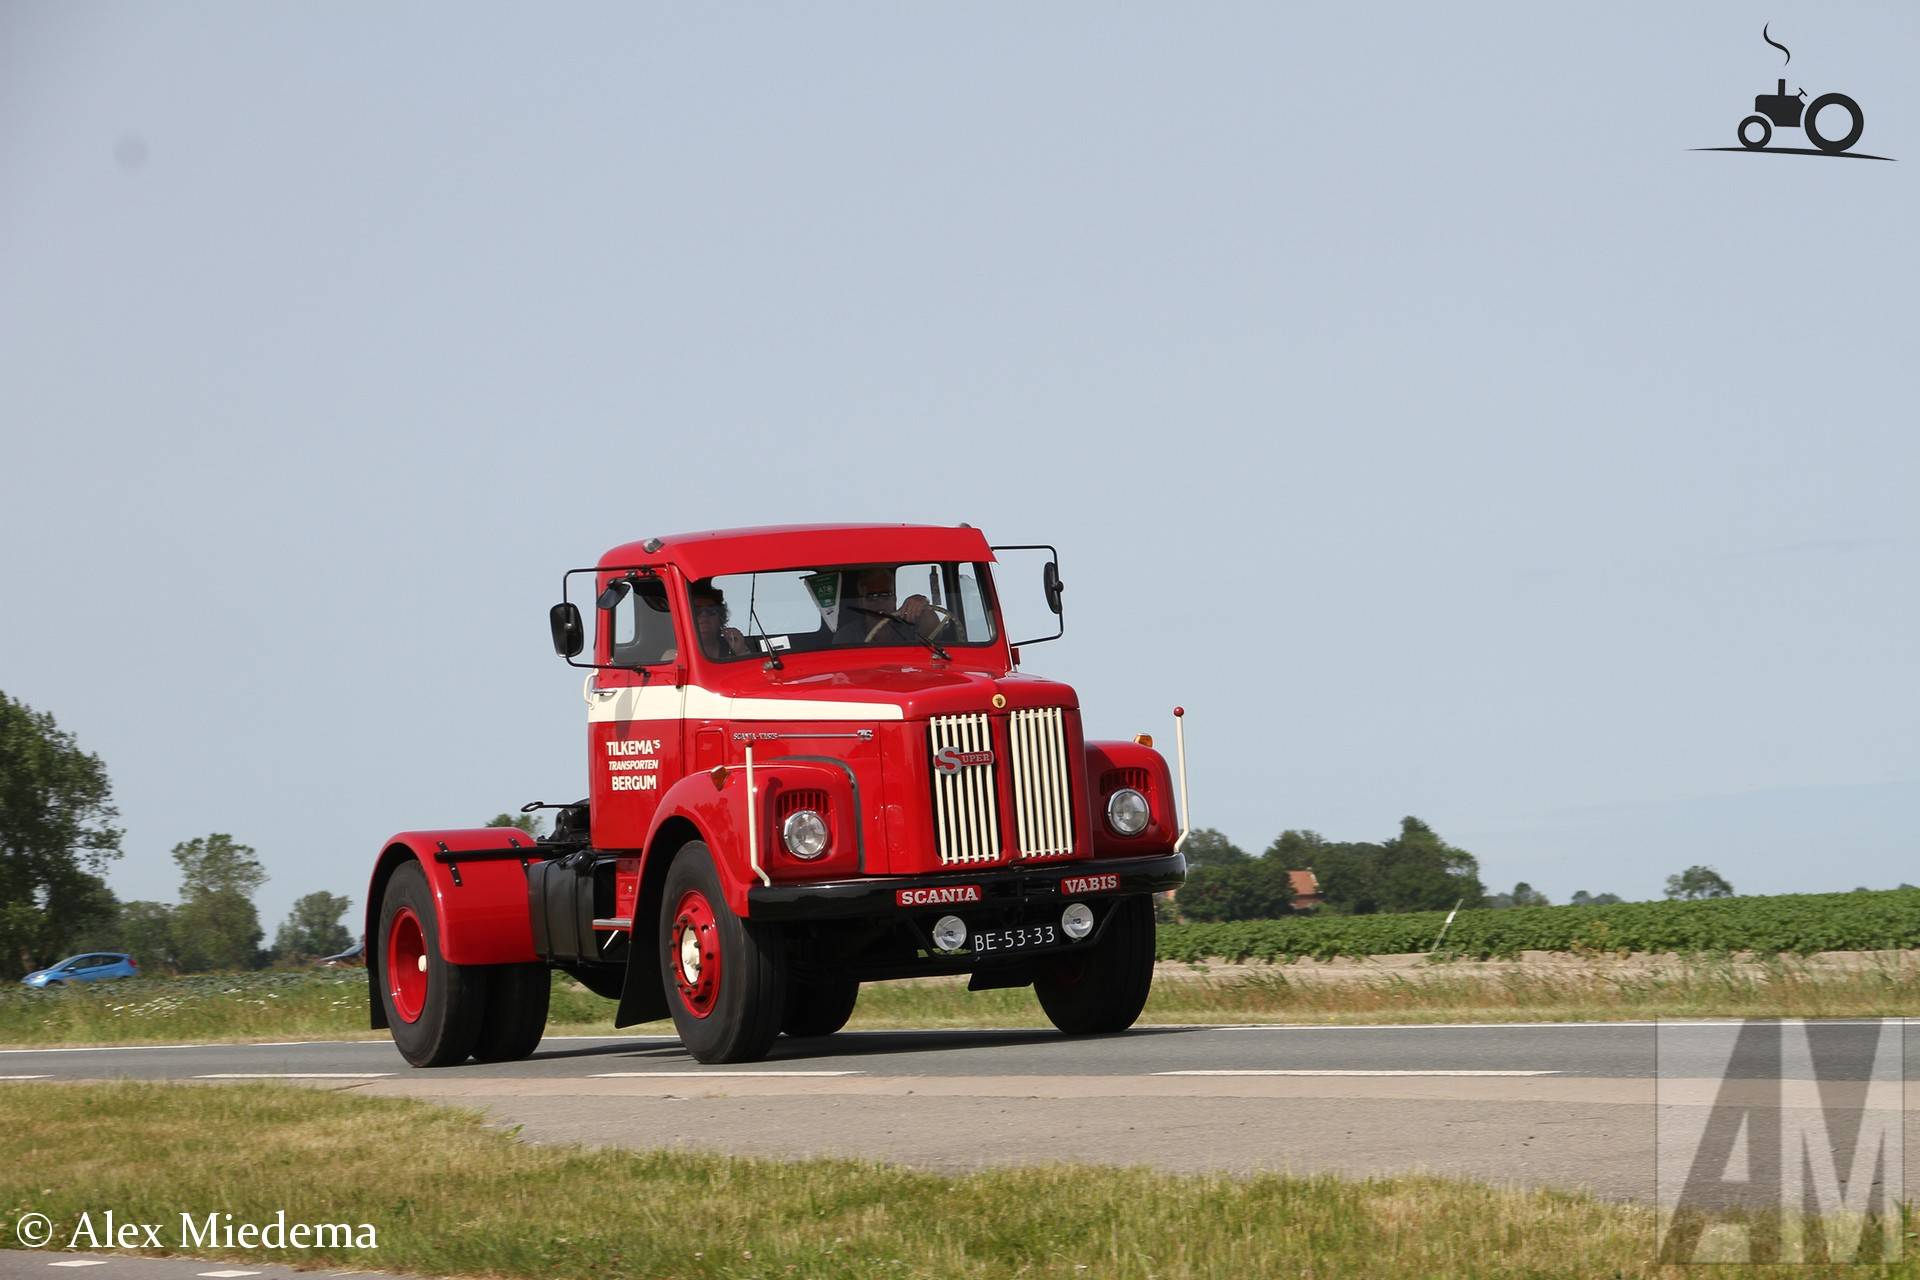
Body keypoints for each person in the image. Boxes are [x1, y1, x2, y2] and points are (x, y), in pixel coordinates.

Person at [835, 567, 938, 645]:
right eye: (872, 596)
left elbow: (933, 631)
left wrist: (922, 605)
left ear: (894, 599)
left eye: (885, 595)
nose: (879, 602)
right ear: (861, 602)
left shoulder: (908, 627)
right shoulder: (847, 636)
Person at [690, 583, 751, 658]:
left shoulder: (732, 647)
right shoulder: (677, 653)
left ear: (720, 618)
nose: (704, 615)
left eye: (711, 610)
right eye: (696, 610)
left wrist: (741, 651)